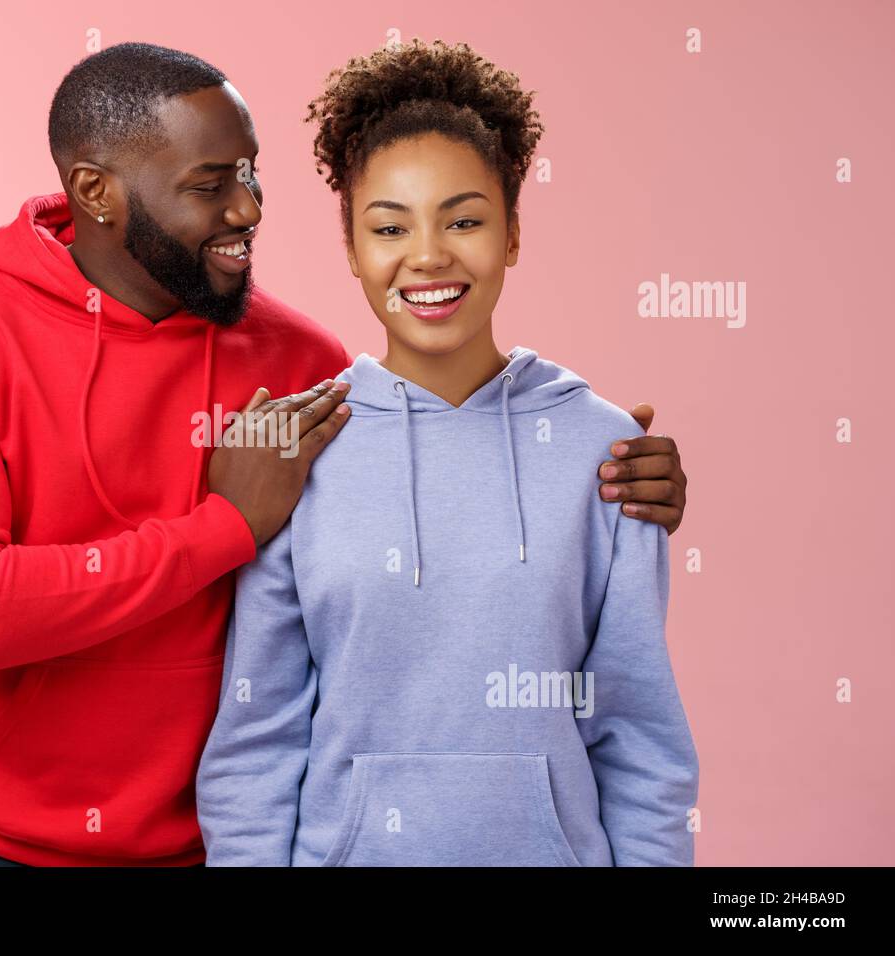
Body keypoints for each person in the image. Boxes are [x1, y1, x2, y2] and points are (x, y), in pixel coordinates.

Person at [0, 42, 690, 867]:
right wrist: (224, 525)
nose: (248, 209)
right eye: (210, 184)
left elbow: (437, 489)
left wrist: (611, 479)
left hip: (198, 850)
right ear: (96, 193)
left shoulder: (300, 369)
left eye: (251, 174)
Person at [195, 39, 699, 866]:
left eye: (463, 219)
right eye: (390, 226)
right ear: (353, 251)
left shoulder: (601, 448)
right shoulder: (299, 448)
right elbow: (258, 740)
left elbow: (640, 736)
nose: (427, 255)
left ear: (511, 234)